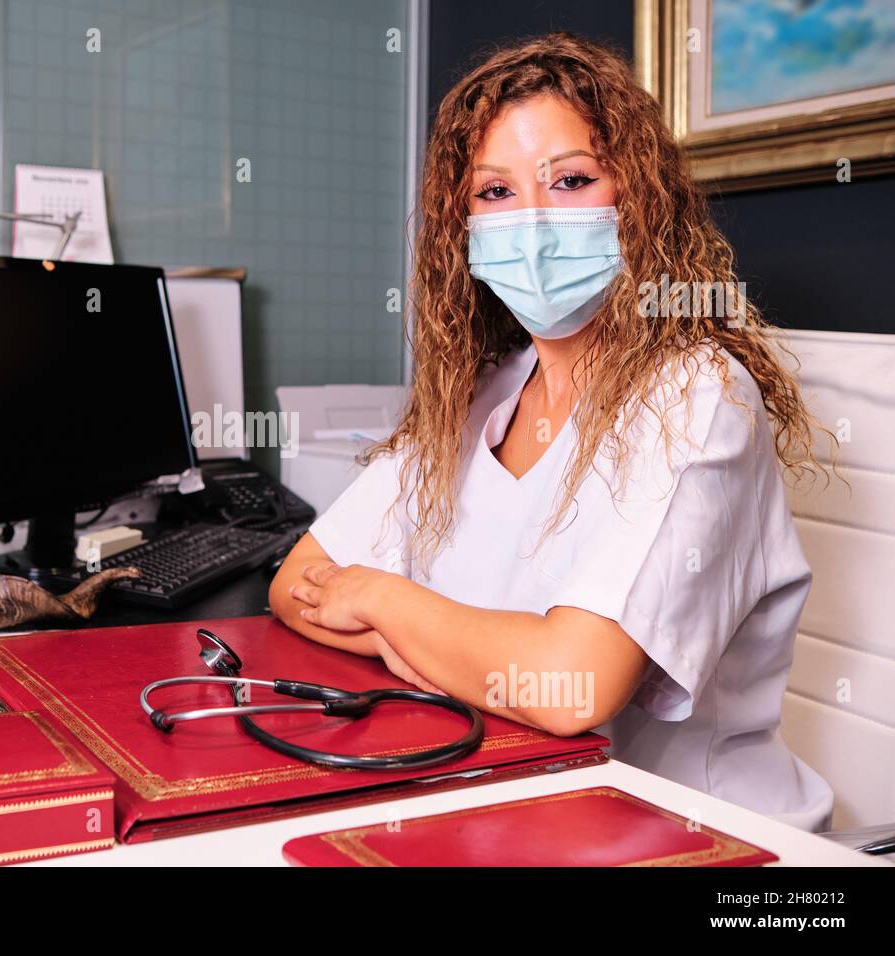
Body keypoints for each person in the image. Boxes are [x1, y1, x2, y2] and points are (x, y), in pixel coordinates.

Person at [269, 33, 834, 830]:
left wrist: (383, 598)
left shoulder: (697, 396)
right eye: (493, 193)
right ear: (460, 227)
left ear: (636, 197)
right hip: (507, 806)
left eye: (569, 180)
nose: (530, 225)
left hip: (691, 834)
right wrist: (466, 658)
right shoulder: (481, 395)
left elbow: (570, 688)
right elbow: (297, 582)